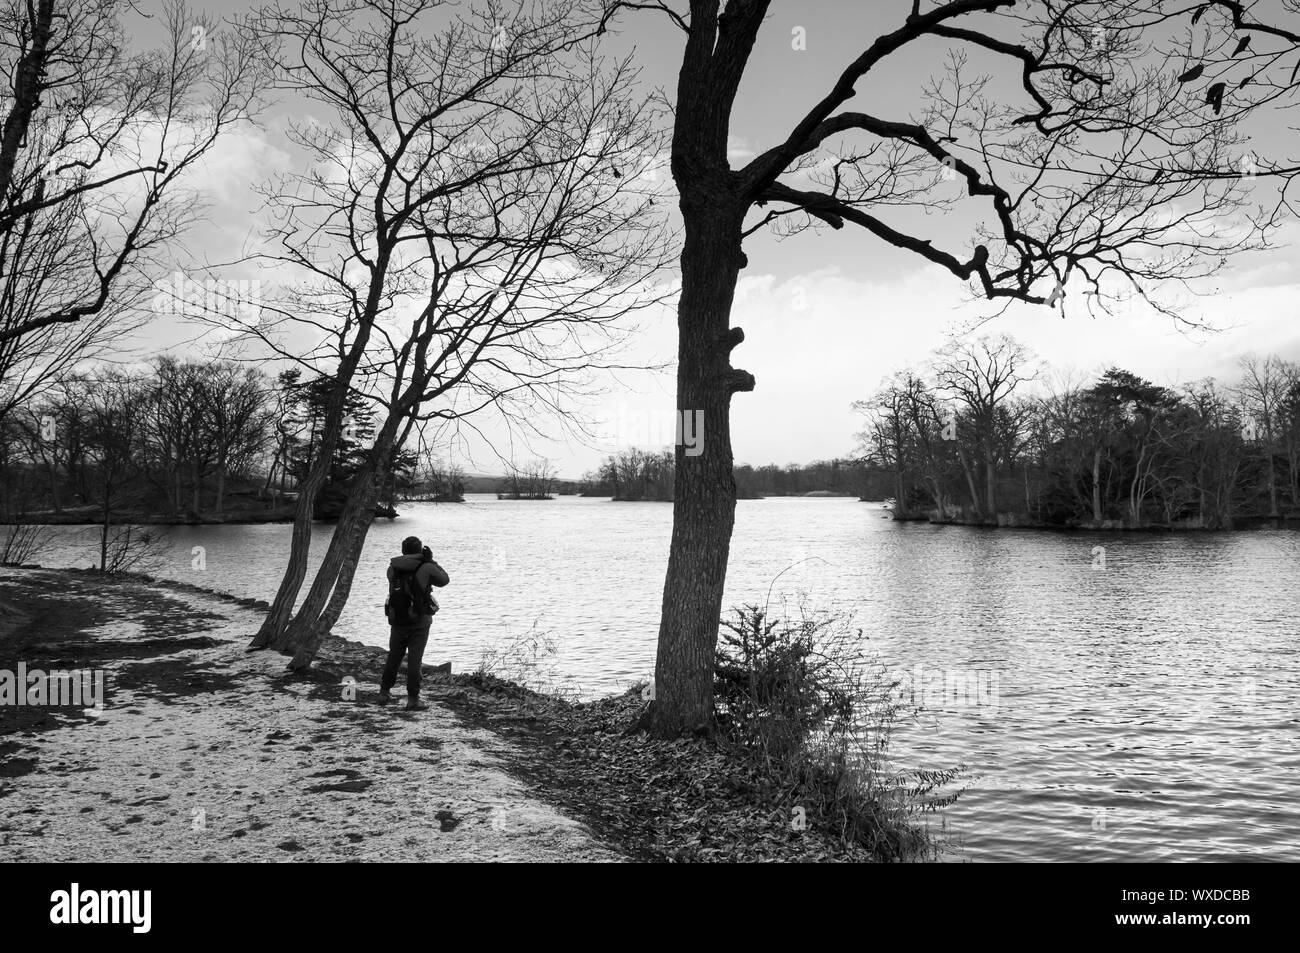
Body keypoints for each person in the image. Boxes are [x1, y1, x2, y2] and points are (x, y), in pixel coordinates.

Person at [380, 535, 449, 710]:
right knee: (414, 660)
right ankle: (413, 699)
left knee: (394, 656)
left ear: (403, 551)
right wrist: (431, 561)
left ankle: (384, 692)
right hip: (419, 621)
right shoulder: (426, 567)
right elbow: (444, 580)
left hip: (396, 619)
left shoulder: (392, 568)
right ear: (420, 550)